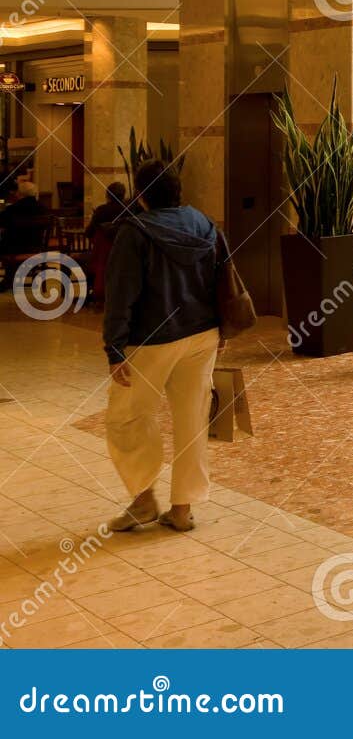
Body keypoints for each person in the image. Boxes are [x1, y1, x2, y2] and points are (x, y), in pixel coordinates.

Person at [101, 161, 227, 533]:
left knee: (126, 418)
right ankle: (182, 510)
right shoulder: (205, 225)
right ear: (178, 192)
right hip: (202, 334)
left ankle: (143, 501)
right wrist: (223, 333)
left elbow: (120, 293)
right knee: (192, 420)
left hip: (151, 340)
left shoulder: (135, 231)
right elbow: (222, 280)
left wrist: (114, 347)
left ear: (140, 196)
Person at [85, 181, 129, 304]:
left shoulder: (101, 211)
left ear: (108, 195)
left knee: (86, 259)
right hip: (125, 254)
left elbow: (89, 233)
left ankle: (91, 290)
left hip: (102, 255)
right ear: (123, 195)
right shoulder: (129, 210)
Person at [0, 178, 49, 256]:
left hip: (12, 248)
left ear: (19, 193)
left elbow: (2, 223)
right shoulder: (43, 209)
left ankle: (11, 267)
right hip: (36, 247)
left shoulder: (12, 209)